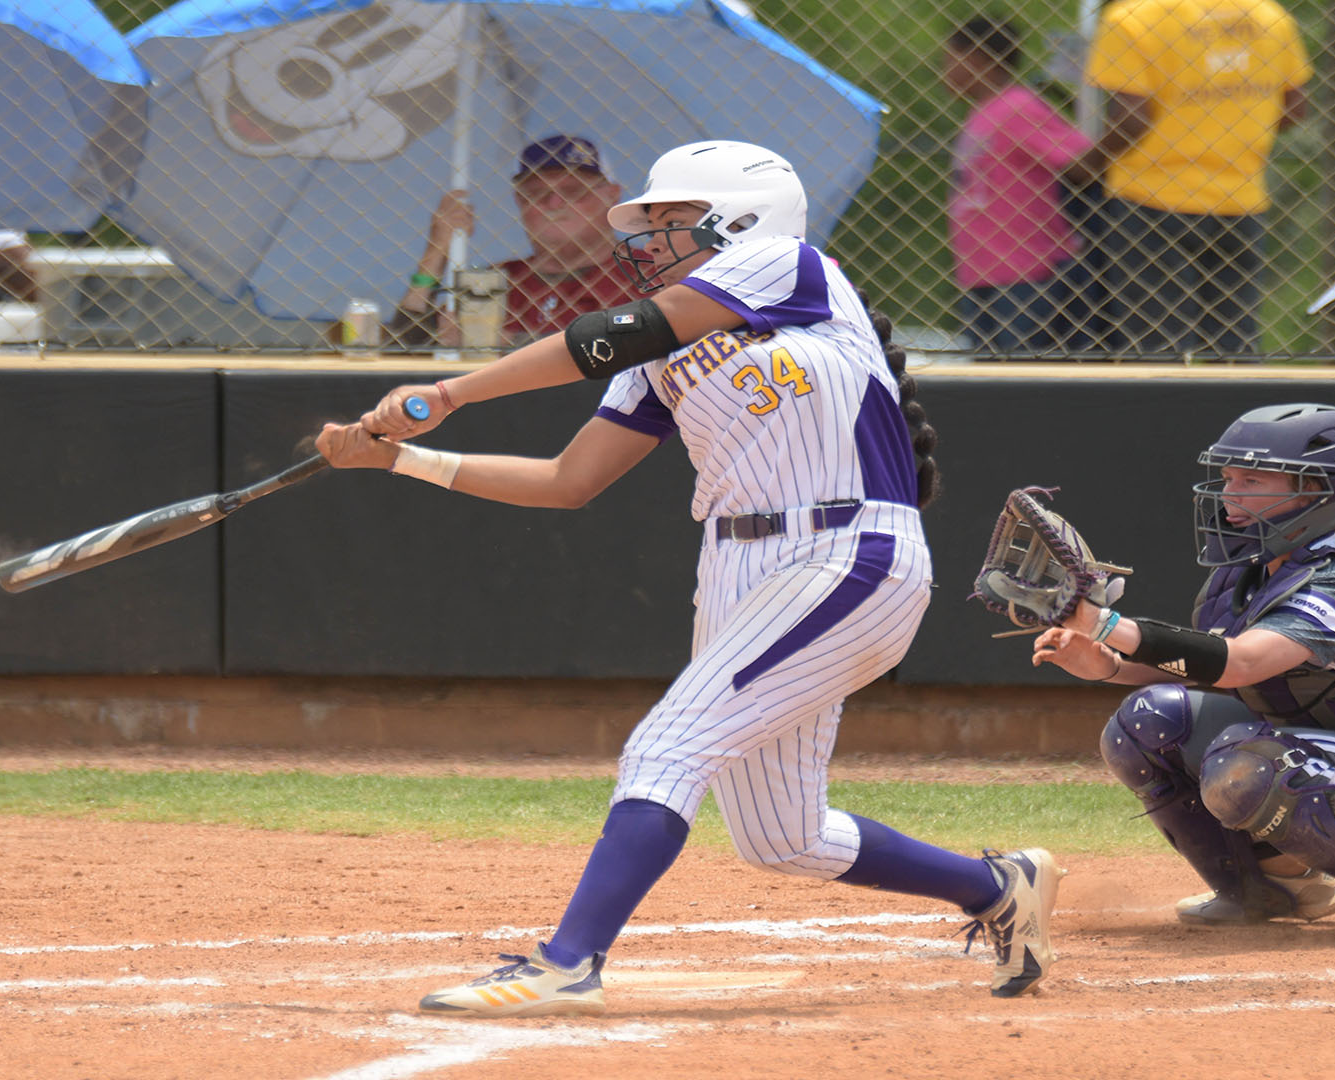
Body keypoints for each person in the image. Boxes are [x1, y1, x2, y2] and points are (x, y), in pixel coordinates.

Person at [316, 140, 1063, 1016]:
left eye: (672, 220)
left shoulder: (789, 268)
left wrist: (453, 391)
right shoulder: (661, 355)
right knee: (780, 836)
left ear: (740, 219)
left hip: (846, 550)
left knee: (667, 747)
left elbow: (615, 333)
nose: (651, 237)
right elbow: (569, 481)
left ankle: (567, 963)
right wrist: (403, 460)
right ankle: (996, 886)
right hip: (738, 566)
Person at [1030, 403, 1335, 947]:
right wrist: (1107, 661)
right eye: (1228, 476)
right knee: (1148, 721)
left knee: (1247, 761)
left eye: (1251, 479)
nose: (1229, 494)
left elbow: (1242, 664)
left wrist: (1111, 621)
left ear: (1317, 490)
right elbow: (1213, 659)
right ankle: (1270, 889)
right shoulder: (1247, 574)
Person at [1080, 0, 1311, 357]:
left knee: (1155, 338)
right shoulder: (1270, 17)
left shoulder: (1133, 19)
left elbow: (1131, 120)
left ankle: (1163, 411)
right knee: (1235, 337)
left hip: (1151, 199)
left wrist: (1088, 165)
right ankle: (1240, 408)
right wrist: (1235, 130)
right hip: (1241, 198)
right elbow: (1294, 108)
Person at [388, 135, 634, 349]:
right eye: (537, 193)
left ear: (612, 195)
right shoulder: (495, 281)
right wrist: (437, 251)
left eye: (573, 190)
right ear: (519, 201)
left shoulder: (648, 273)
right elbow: (402, 346)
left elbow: (639, 343)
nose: (555, 204)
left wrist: (511, 345)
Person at [941, 17, 1094, 355]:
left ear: (979, 59)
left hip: (1026, 272)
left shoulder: (1018, 107)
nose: (945, 71)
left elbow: (1080, 161)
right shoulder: (983, 113)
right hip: (982, 273)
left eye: (951, 60)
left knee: (1021, 373)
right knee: (992, 376)